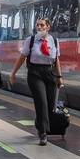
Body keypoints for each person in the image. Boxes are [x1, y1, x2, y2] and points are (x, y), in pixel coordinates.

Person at [10, 17, 62, 145]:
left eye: (42, 25)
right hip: (35, 74)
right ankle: (43, 133)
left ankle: (40, 123)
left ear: (48, 27)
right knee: (41, 103)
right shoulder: (31, 40)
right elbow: (22, 57)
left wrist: (59, 77)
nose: (39, 27)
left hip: (50, 74)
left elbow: (56, 60)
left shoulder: (54, 41)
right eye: (37, 25)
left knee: (50, 105)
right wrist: (13, 73)